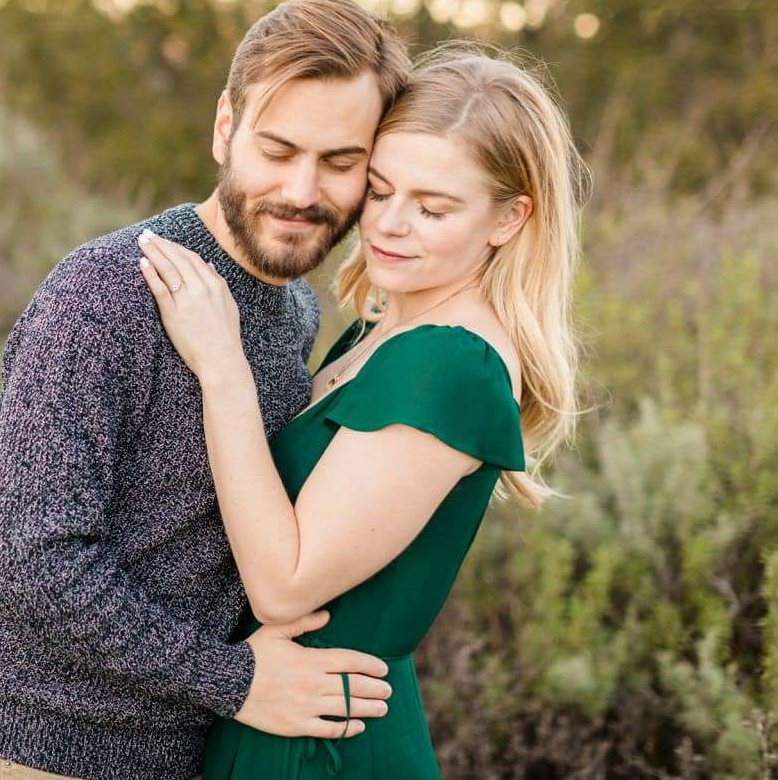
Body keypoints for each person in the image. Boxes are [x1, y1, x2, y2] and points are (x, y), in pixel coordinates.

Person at [0, 0, 412, 780]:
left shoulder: (292, 307)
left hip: (177, 756)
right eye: (277, 149)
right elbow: (30, 562)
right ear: (226, 127)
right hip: (34, 759)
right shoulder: (107, 292)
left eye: (339, 162)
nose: (300, 190)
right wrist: (233, 680)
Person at [136, 43, 589, 778]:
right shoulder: (386, 328)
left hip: (320, 747)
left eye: (433, 207)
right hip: (274, 714)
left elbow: (285, 586)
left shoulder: (448, 363)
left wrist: (222, 369)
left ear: (509, 220)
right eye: (379, 190)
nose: (390, 225)